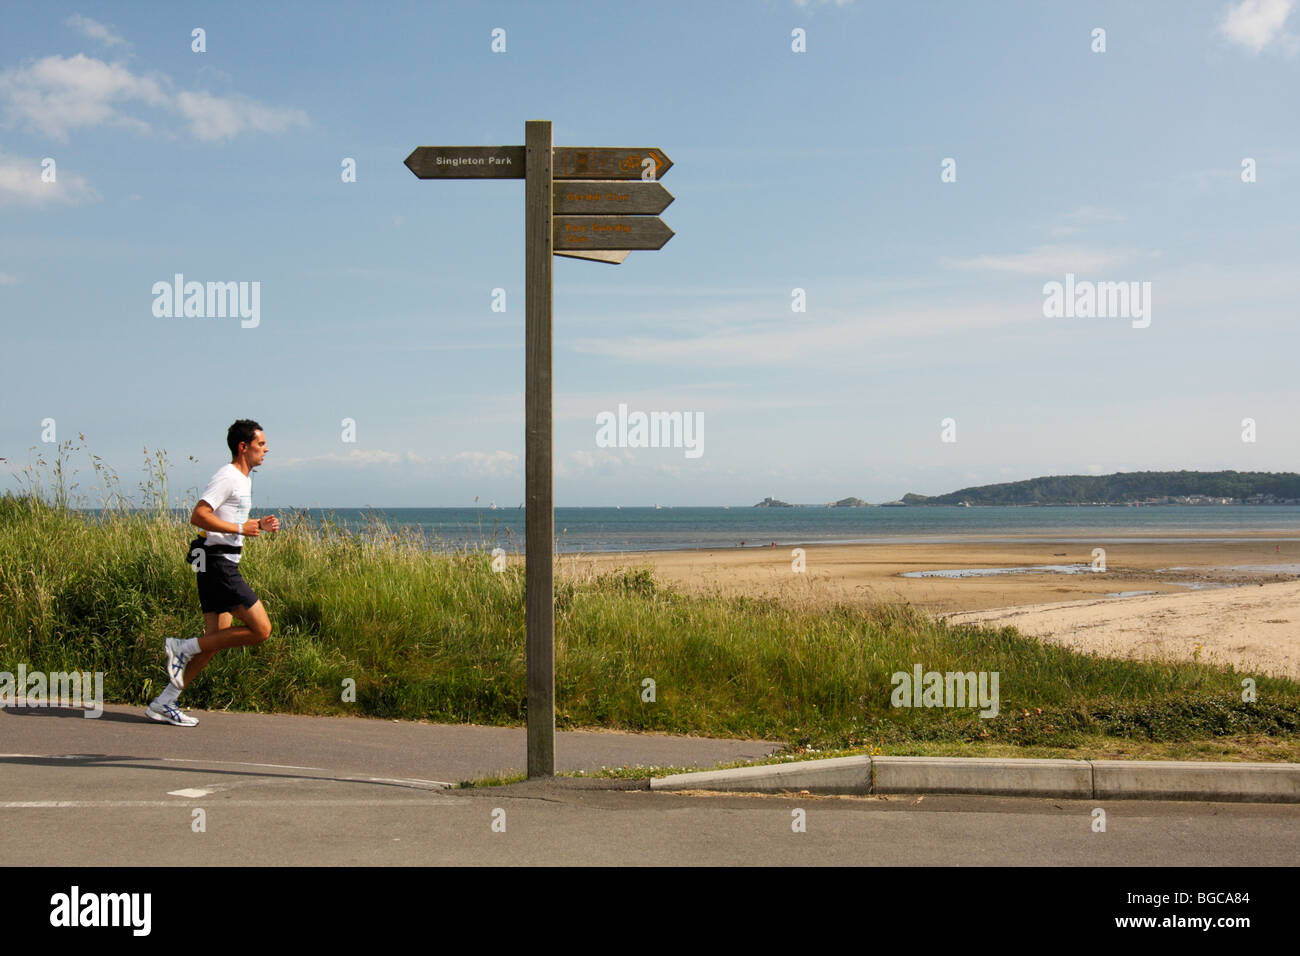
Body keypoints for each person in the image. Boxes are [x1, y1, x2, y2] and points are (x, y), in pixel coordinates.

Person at [145, 420, 279, 726]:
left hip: (215, 562)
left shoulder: (243, 480)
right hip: (218, 564)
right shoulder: (228, 476)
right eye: (261, 444)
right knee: (262, 630)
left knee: (215, 641)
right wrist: (240, 527)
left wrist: (256, 525)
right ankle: (180, 647)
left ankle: (163, 703)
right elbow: (199, 515)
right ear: (243, 447)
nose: (266, 449)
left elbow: (228, 521)